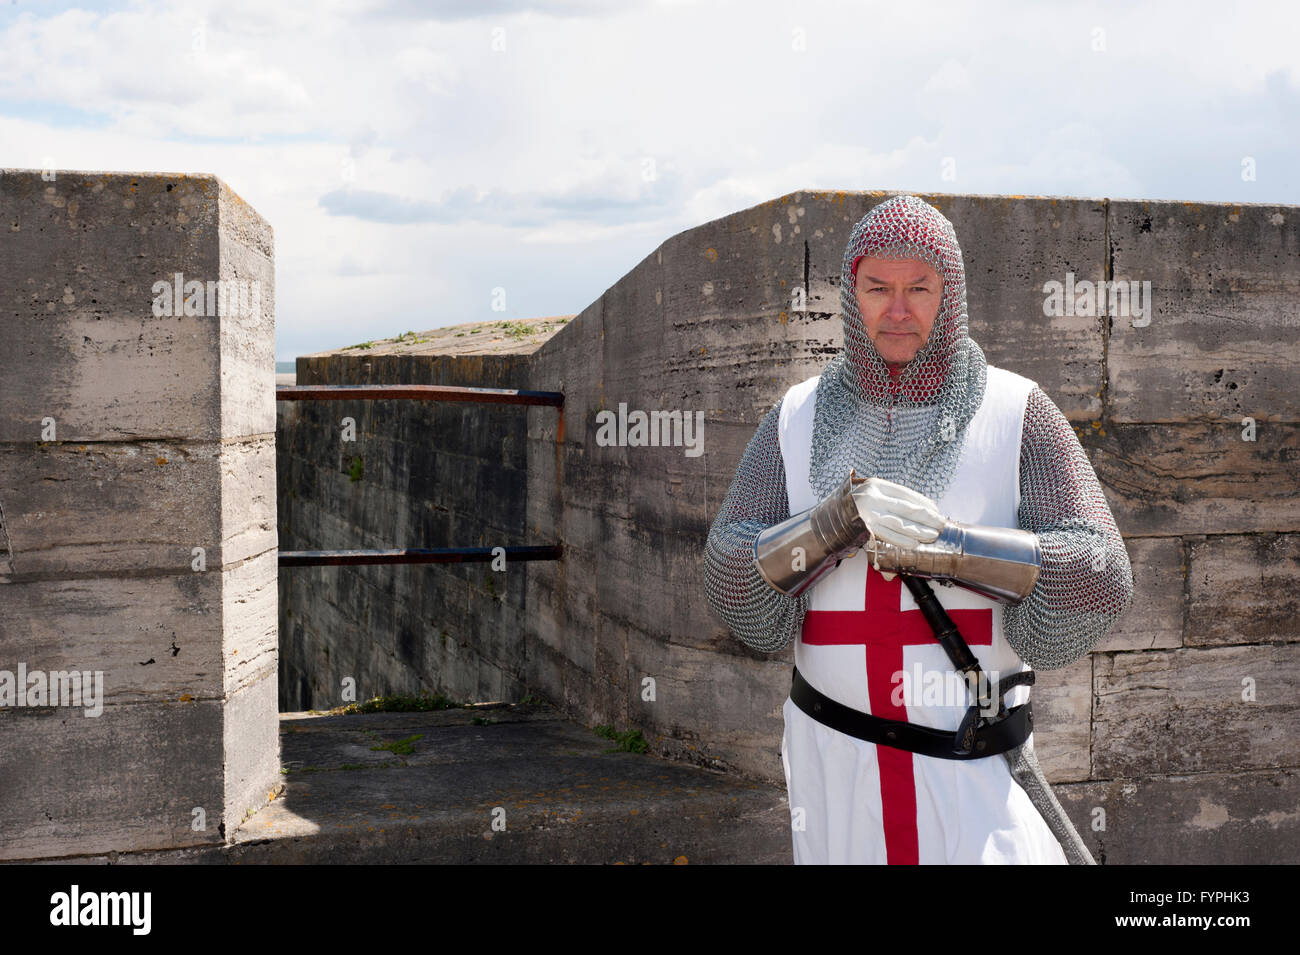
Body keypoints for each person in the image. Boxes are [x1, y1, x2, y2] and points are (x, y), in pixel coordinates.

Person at [704, 194, 1134, 864]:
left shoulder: (1015, 411)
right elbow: (730, 566)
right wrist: (825, 531)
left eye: (918, 289)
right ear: (852, 293)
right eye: (878, 288)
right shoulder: (797, 416)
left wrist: (954, 552)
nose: (897, 310)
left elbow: (1100, 571)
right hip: (834, 765)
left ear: (949, 293)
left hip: (971, 769)